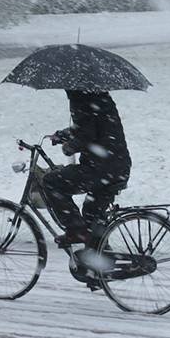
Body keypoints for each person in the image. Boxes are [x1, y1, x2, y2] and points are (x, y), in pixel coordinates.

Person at [43, 89, 131, 246]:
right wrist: (61, 135)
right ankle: (102, 262)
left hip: (100, 168)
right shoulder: (99, 95)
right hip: (118, 167)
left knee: (51, 181)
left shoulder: (80, 97)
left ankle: (76, 231)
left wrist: (67, 148)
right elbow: (91, 127)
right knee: (92, 219)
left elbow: (86, 136)